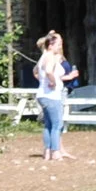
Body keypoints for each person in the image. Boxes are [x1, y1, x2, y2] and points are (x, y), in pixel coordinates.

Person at [34, 31, 75, 163]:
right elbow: (49, 71)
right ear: (50, 45)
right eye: (57, 44)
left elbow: (38, 72)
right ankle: (56, 152)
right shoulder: (50, 56)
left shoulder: (43, 57)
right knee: (57, 124)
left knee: (48, 125)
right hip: (51, 95)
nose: (59, 46)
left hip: (42, 94)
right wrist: (52, 81)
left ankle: (47, 151)